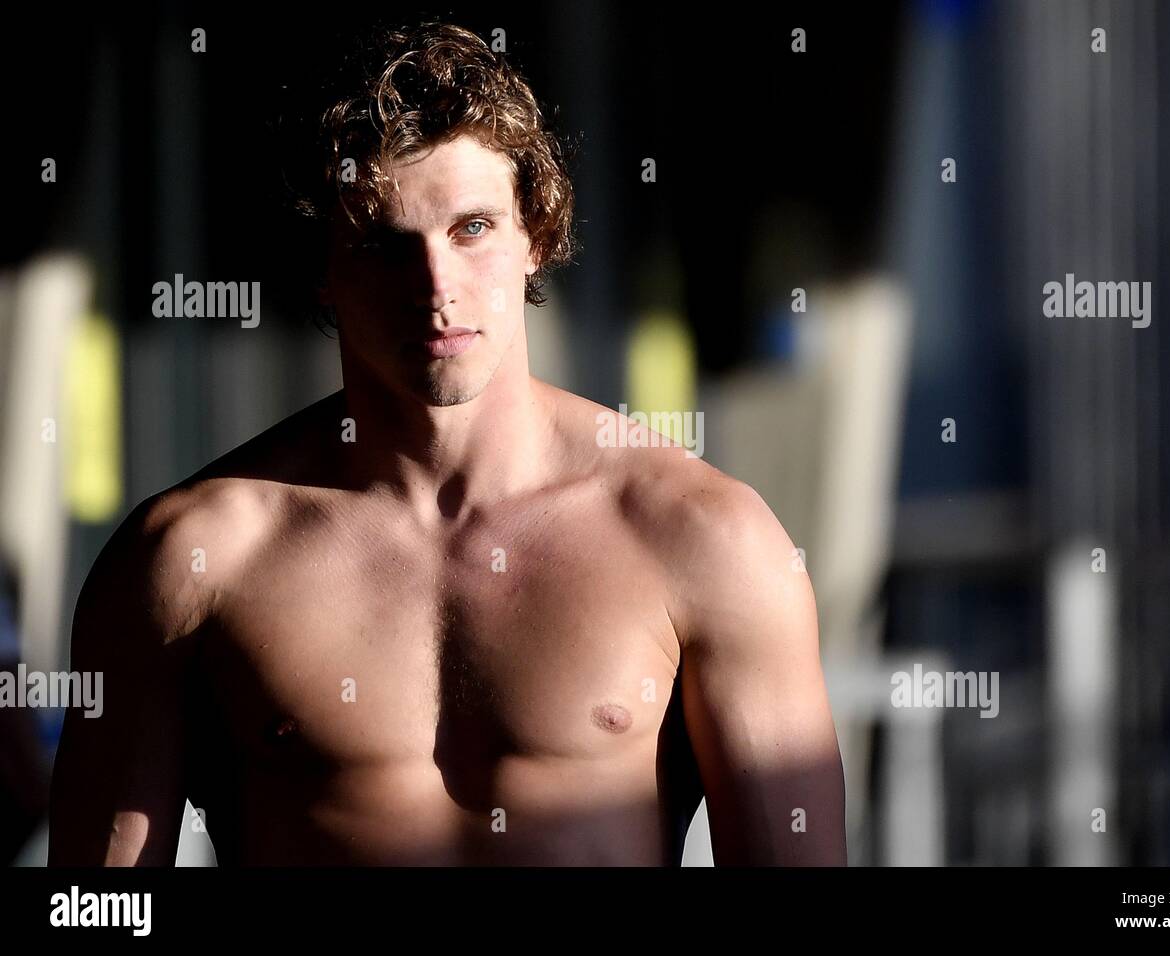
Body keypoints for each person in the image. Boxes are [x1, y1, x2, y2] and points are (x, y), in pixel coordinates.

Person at [48, 20, 846, 866]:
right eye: (385, 245)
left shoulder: (703, 537)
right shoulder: (192, 561)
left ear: (534, 232)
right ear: (322, 264)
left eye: (471, 229)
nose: (437, 289)